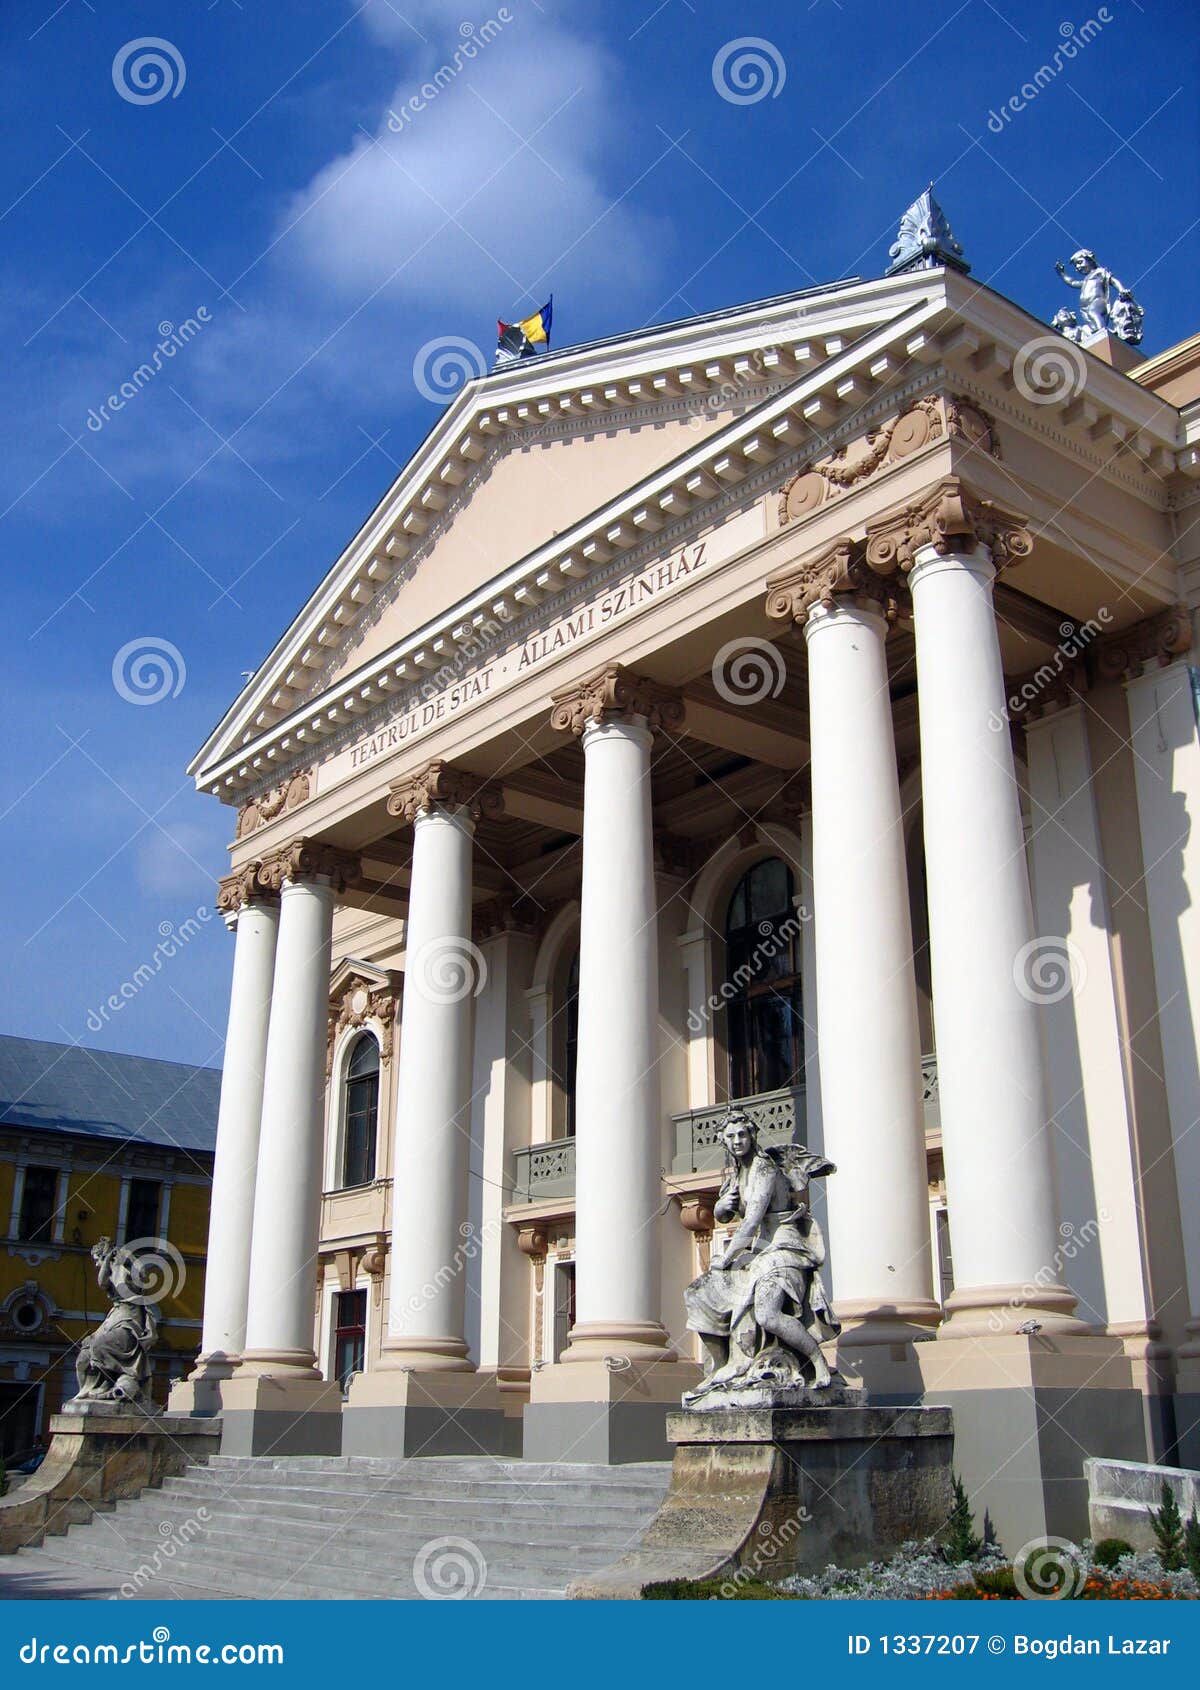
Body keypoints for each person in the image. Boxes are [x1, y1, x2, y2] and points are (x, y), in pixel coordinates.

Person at [684, 1108, 840, 1403]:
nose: (737, 1141)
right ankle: (725, 1365)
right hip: (758, 1252)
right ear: (724, 1142)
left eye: (742, 1134)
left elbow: (752, 1220)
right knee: (699, 1294)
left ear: (752, 1135)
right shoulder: (737, 1174)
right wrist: (720, 1207)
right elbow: (725, 1213)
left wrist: (726, 1258)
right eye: (730, 1136)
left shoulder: (764, 1170)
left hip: (783, 1247)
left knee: (767, 1314)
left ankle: (818, 1363)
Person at [72, 1238, 158, 1405]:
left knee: (99, 1346)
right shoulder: (115, 1269)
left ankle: (109, 1385)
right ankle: (88, 1391)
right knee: (85, 1352)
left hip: (128, 1318)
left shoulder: (125, 1269)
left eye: (97, 1260)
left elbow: (103, 1281)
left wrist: (120, 1257)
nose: (97, 1264)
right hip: (114, 1316)